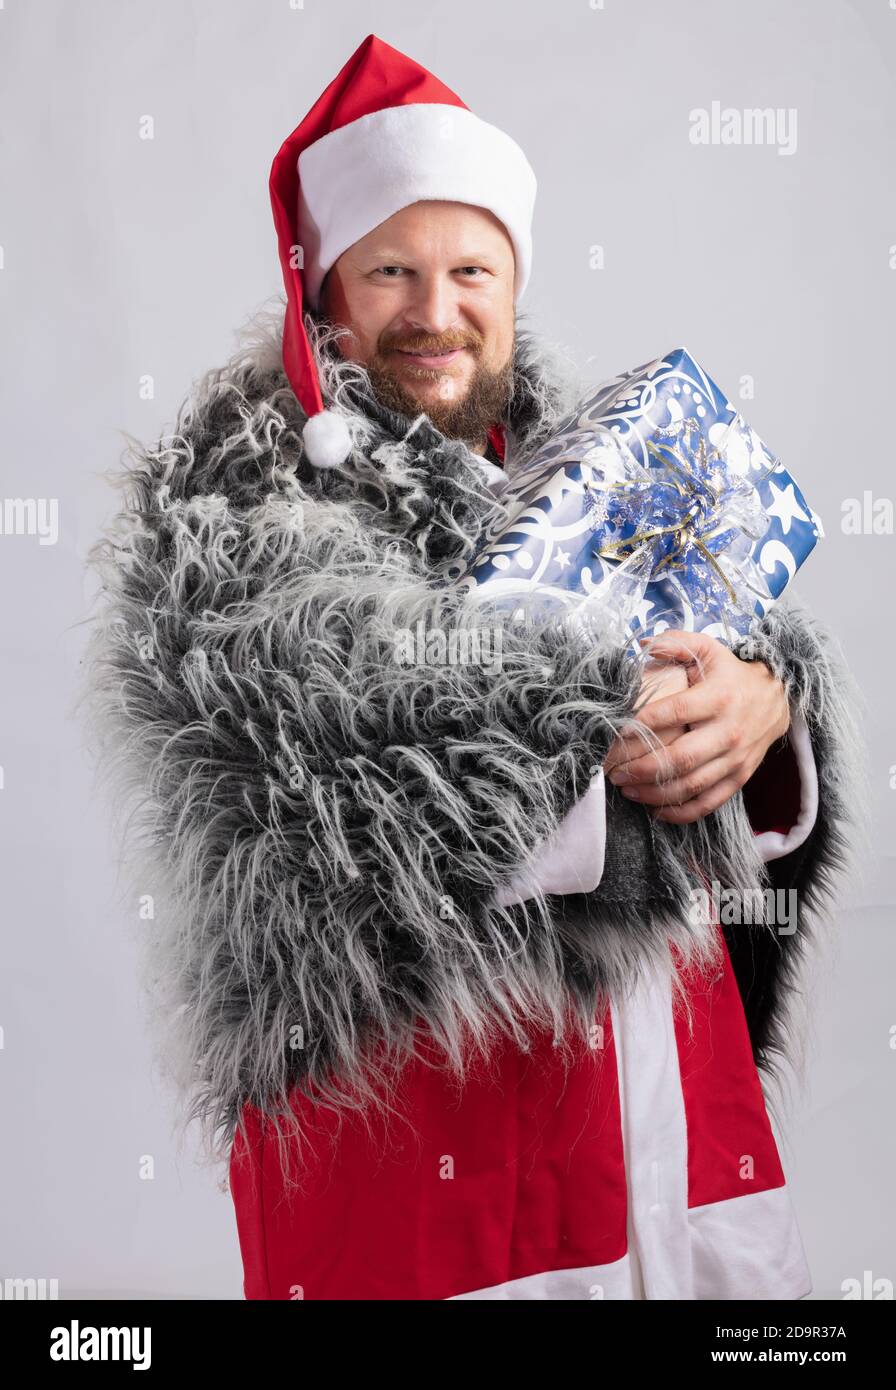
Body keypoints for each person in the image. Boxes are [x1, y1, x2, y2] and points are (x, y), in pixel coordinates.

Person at [82, 34, 862, 1300]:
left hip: (672, 1128)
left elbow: (727, 802)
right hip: (419, 1176)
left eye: (469, 269)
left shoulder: (589, 476)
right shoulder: (233, 513)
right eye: (389, 269)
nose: (433, 312)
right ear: (324, 284)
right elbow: (361, 792)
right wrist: (622, 727)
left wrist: (762, 713)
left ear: (513, 282)